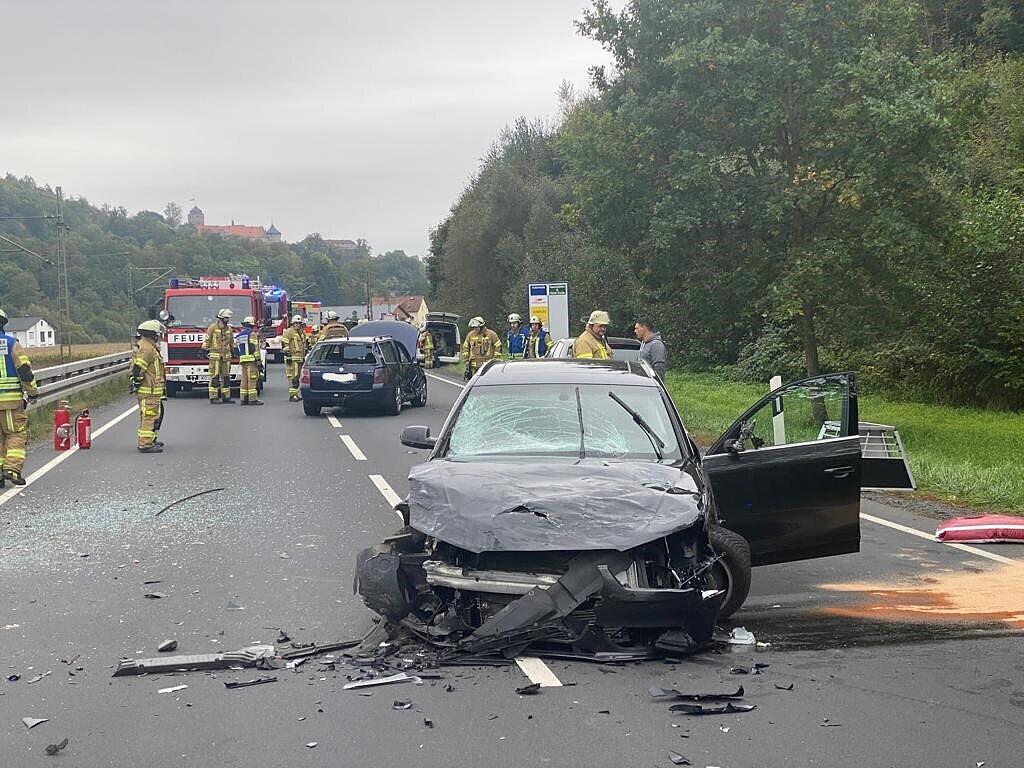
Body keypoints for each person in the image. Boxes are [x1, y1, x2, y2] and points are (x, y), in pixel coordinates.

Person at [0, 308, 38, 486]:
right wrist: (32, 393)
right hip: (10, 403)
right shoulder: (11, 344)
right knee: (15, 434)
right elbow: (24, 371)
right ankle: (12, 470)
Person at [131, 319, 166, 453]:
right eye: (157, 334)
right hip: (149, 390)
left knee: (151, 415)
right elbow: (138, 368)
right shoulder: (147, 348)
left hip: (152, 390)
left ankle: (149, 440)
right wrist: (137, 382)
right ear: (152, 334)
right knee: (149, 416)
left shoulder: (148, 346)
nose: (159, 336)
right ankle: (145, 444)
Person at [202, 308, 235, 403]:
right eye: (226, 318)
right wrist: (203, 349)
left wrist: (234, 351)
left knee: (226, 377)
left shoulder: (229, 329)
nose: (228, 320)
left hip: (226, 357)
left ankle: (226, 397)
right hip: (215, 357)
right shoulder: (212, 328)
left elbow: (231, 342)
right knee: (214, 377)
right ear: (221, 318)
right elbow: (207, 340)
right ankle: (213, 397)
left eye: (228, 318)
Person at [235, 316, 265, 406]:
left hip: (242, 360)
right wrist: (258, 361)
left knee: (244, 380)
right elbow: (254, 348)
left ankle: (243, 399)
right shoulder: (252, 334)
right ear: (252, 325)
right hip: (251, 360)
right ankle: (252, 399)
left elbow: (236, 349)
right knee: (252, 379)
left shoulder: (239, 335)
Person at [281, 314, 306, 402]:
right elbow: (284, 343)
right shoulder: (289, 331)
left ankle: (295, 394)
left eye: (299, 323)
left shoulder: (300, 332)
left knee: (297, 377)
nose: (298, 325)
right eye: (296, 323)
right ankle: (292, 396)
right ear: (293, 323)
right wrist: (288, 355)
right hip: (292, 359)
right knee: (293, 377)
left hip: (300, 358)